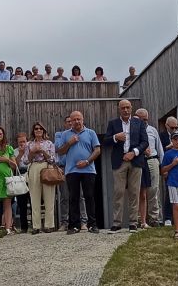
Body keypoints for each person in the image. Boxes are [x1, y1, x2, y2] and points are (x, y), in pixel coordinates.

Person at [102, 99, 148, 232]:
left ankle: (133, 222)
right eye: (123, 108)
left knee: (134, 192)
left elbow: (145, 142)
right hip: (119, 161)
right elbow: (106, 141)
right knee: (118, 192)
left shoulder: (139, 123)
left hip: (135, 160)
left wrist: (134, 152)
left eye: (128, 107)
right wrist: (116, 137)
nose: (126, 110)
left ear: (131, 108)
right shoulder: (113, 123)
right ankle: (117, 223)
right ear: (119, 109)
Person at [57, 111, 100, 235]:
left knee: (89, 197)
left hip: (88, 169)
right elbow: (60, 151)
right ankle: (74, 225)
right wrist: (69, 143)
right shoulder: (65, 135)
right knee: (73, 198)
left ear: (83, 119)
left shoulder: (91, 133)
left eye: (78, 119)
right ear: (70, 121)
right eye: (74, 119)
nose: (76, 121)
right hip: (72, 170)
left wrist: (87, 161)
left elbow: (97, 150)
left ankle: (92, 224)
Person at [23, 123, 57, 234]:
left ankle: (49, 225)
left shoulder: (49, 143)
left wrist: (42, 151)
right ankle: (36, 226)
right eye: (36, 129)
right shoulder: (28, 144)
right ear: (33, 131)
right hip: (34, 167)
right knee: (34, 197)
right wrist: (32, 152)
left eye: (40, 128)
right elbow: (25, 161)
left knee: (49, 196)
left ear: (43, 131)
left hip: (46, 166)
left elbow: (53, 159)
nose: (38, 130)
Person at [136, 108, 165, 228]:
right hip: (138, 160)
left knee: (153, 189)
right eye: (142, 120)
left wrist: (162, 166)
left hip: (152, 160)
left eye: (146, 119)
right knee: (138, 190)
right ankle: (138, 219)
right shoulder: (133, 130)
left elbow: (159, 147)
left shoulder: (152, 130)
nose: (144, 122)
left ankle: (154, 218)